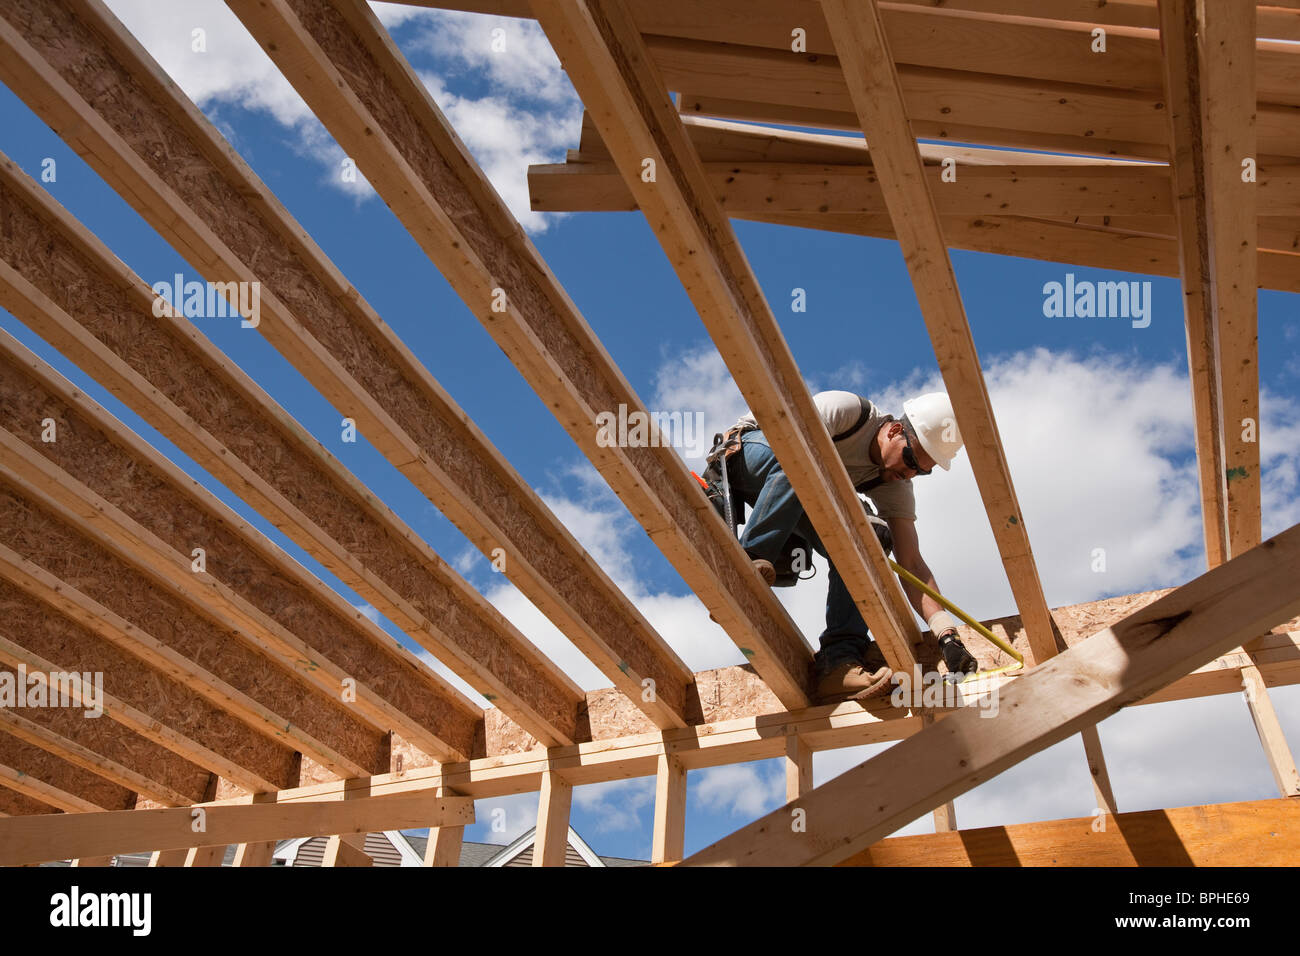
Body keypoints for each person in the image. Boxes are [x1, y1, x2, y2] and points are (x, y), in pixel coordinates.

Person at [723, 390, 978, 702]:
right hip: (752, 455)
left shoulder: (894, 484)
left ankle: (838, 663)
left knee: (871, 540)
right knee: (802, 458)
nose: (909, 474)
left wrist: (946, 635)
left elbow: (911, 563)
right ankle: (746, 564)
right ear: (895, 430)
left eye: (920, 471)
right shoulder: (848, 412)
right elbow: (788, 439)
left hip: (798, 495)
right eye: (910, 460)